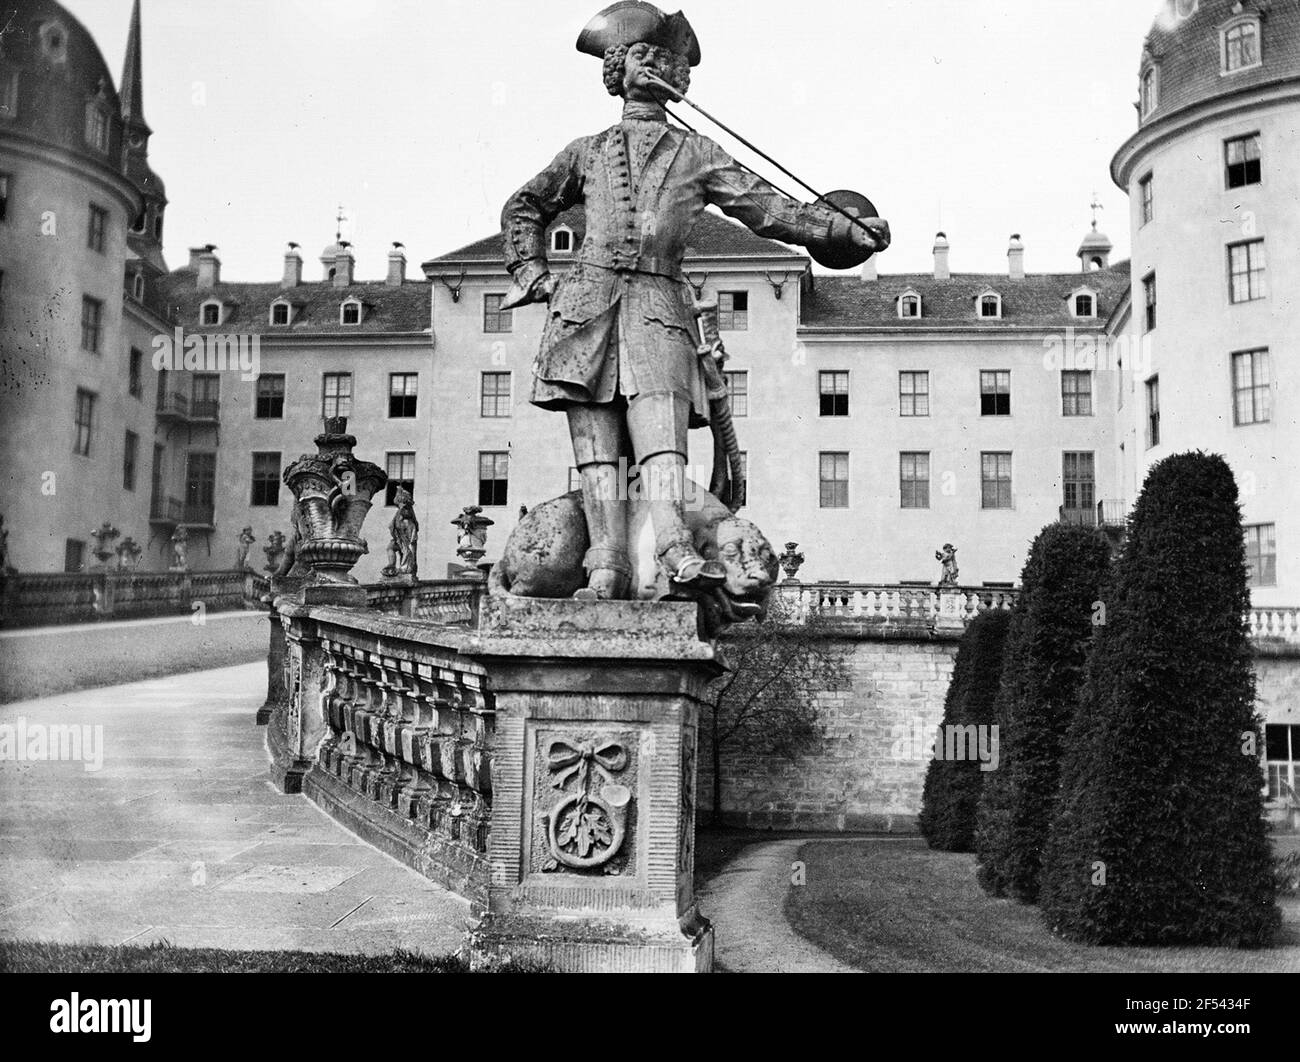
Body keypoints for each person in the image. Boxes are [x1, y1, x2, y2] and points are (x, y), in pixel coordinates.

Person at [501, 1, 889, 600]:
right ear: (617, 70)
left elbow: (769, 209)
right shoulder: (585, 151)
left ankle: (674, 545)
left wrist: (839, 230)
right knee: (597, 450)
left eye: (666, 62)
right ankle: (606, 566)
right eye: (642, 57)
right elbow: (524, 205)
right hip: (585, 305)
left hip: (658, 302)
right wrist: (533, 273)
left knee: (662, 433)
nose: (656, 68)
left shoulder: (699, 153)